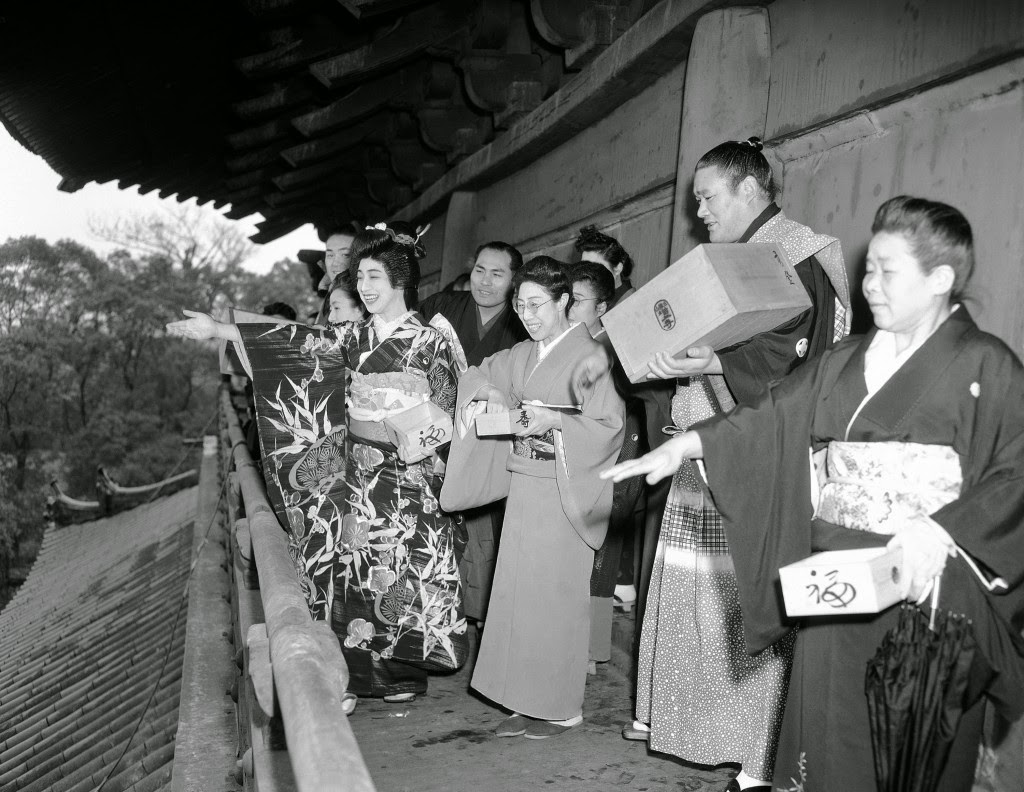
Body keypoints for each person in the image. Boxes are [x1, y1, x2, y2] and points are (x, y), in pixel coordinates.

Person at [604, 196, 1024, 792]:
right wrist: (685, 446)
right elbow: (774, 417)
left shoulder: (986, 365)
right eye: (868, 268)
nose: (869, 284)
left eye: (887, 270)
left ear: (941, 279)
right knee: (826, 729)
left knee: (906, 738)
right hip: (840, 575)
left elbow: (1017, 471)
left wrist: (943, 530)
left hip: (930, 579)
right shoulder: (848, 359)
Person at [608, 137, 851, 792]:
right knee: (711, 610)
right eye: (695, 202)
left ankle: (760, 759)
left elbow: (810, 367)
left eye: (709, 197)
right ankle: (734, 747)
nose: (702, 212)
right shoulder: (730, 263)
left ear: (751, 189)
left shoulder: (798, 254)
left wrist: (714, 361)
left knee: (754, 603)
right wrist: (683, 363)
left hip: (764, 455)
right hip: (712, 446)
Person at [168, 222, 468, 703]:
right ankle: (360, 669)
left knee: (400, 566)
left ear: (400, 281)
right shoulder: (353, 335)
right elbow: (295, 344)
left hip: (410, 472)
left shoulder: (430, 342)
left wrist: (424, 442)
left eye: (373, 277)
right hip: (358, 473)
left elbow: (452, 412)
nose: (365, 288)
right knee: (354, 562)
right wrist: (219, 329)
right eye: (360, 278)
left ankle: (400, 667)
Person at [440, 256, 624, 739]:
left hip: (564, 488)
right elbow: (475, 373)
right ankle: (523, 699)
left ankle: (562, 705)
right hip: (523, 485)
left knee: (556, 599)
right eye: (521, 305)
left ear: (564, 301)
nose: (529, 315)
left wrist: (556, 420)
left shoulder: (591, 356)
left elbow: (609, 426)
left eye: (538, 304)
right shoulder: (522, 354)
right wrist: (494, 396)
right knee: (518, 598)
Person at [420, 241, 529, 624]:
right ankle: (429, 604)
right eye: (480, 270)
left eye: (497, 274)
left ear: (514, 280)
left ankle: (476, 612)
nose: (484, 281)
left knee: (482, 527)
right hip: (432, 432)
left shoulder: (522, 325)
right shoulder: (442, 308)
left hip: (485, 438)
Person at [568, 262, 642, 669]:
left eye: (577, 301)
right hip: (572, 461)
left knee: (602, 555)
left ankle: (594, 649)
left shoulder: (618, 346)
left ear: (603, 307)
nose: (568, 309)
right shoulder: (565, 345)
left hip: (613, 456)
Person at [575, 225, 636, 308]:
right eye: (584, 267)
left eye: (596, 268)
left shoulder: (631, 305)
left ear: (618, 269)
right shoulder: (597, 301)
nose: (588, 273)